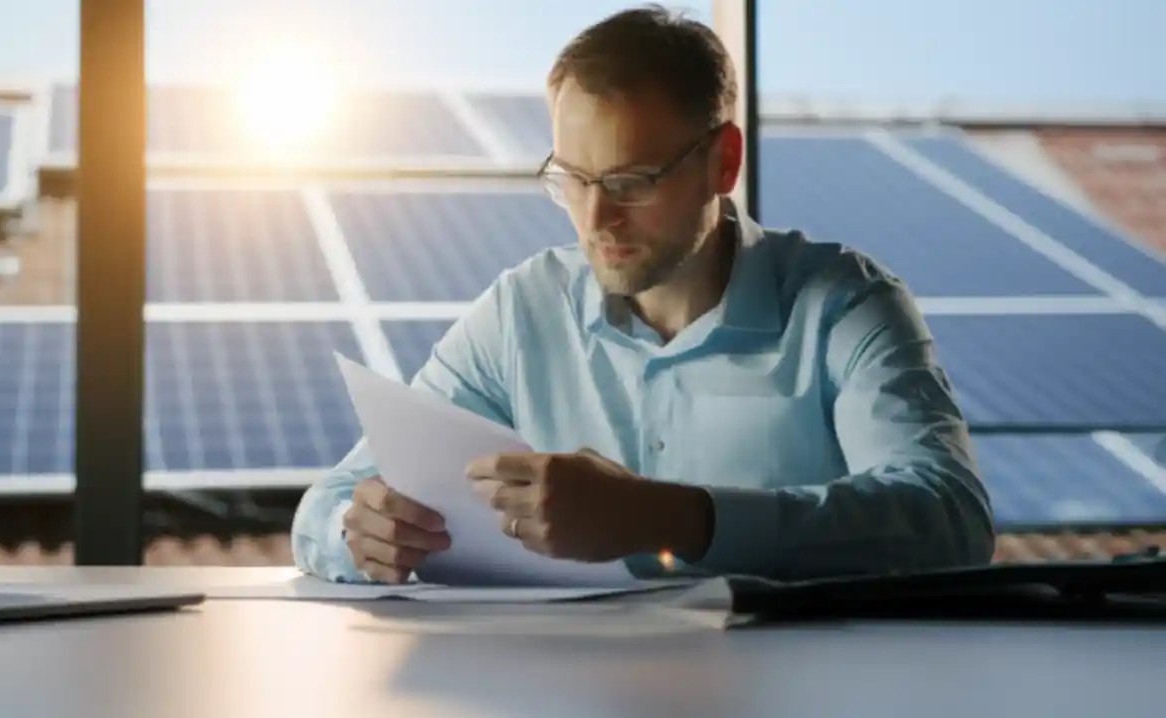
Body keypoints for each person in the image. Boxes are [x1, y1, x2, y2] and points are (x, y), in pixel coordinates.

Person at [291, 4, 995, 584]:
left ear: (723, 163)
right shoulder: (521, 312)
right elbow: (327, 505)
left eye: (631, 182)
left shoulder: (842, 304)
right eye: (572, 179)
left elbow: (950, 518)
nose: (596, 220)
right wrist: (361, 532)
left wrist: (667, 519)